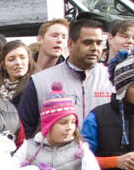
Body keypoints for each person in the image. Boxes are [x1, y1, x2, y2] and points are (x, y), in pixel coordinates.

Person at [18, 18, 113, 147]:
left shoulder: (112, 79)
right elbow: (24, 130)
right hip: (53, 163)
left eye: (99, 43)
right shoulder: (41, 81)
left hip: (101, 163)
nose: (95, 48)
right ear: (70, 44)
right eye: (88, 42)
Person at [0, 39, 33, 108]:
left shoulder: (34, 85)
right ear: (3, 65)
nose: (18, 62)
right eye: (11, 59)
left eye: (22, 58)